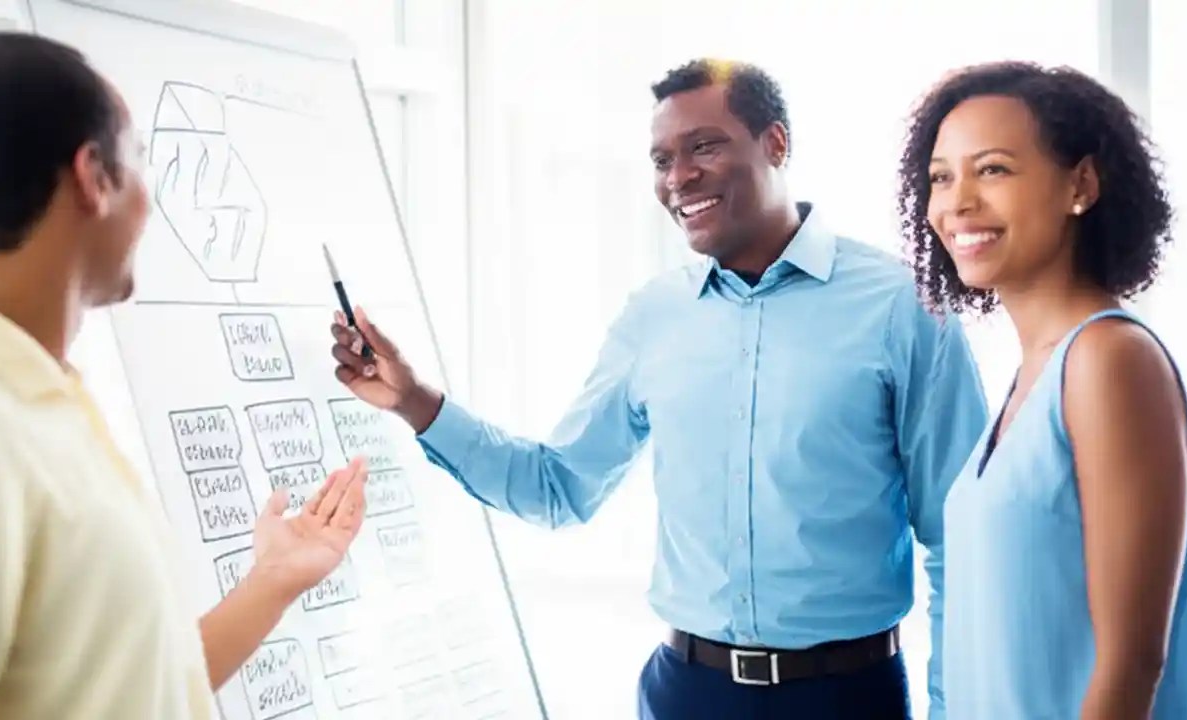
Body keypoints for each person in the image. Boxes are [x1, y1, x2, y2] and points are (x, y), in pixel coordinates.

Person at [332, 58, 987, 720]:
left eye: (703, 146)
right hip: (685, 694)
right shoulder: (654, 317)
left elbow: (964, 542)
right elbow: (558, 488)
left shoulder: (903, 306)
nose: (678, 178)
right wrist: (415, 401)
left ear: (776, 143)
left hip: (847, 698)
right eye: (661, 160)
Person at [0, 32, 368, 719]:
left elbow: (129, 691)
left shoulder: (41, 404)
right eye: (144, 160)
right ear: (94, 177)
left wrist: (272, 580)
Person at [898, 60, 1187, 719]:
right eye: (940, 177)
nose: (956, 202)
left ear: (1082, 185)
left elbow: (1130, 666)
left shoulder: (1110, 361)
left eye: (993, 169)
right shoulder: (1030, 379)